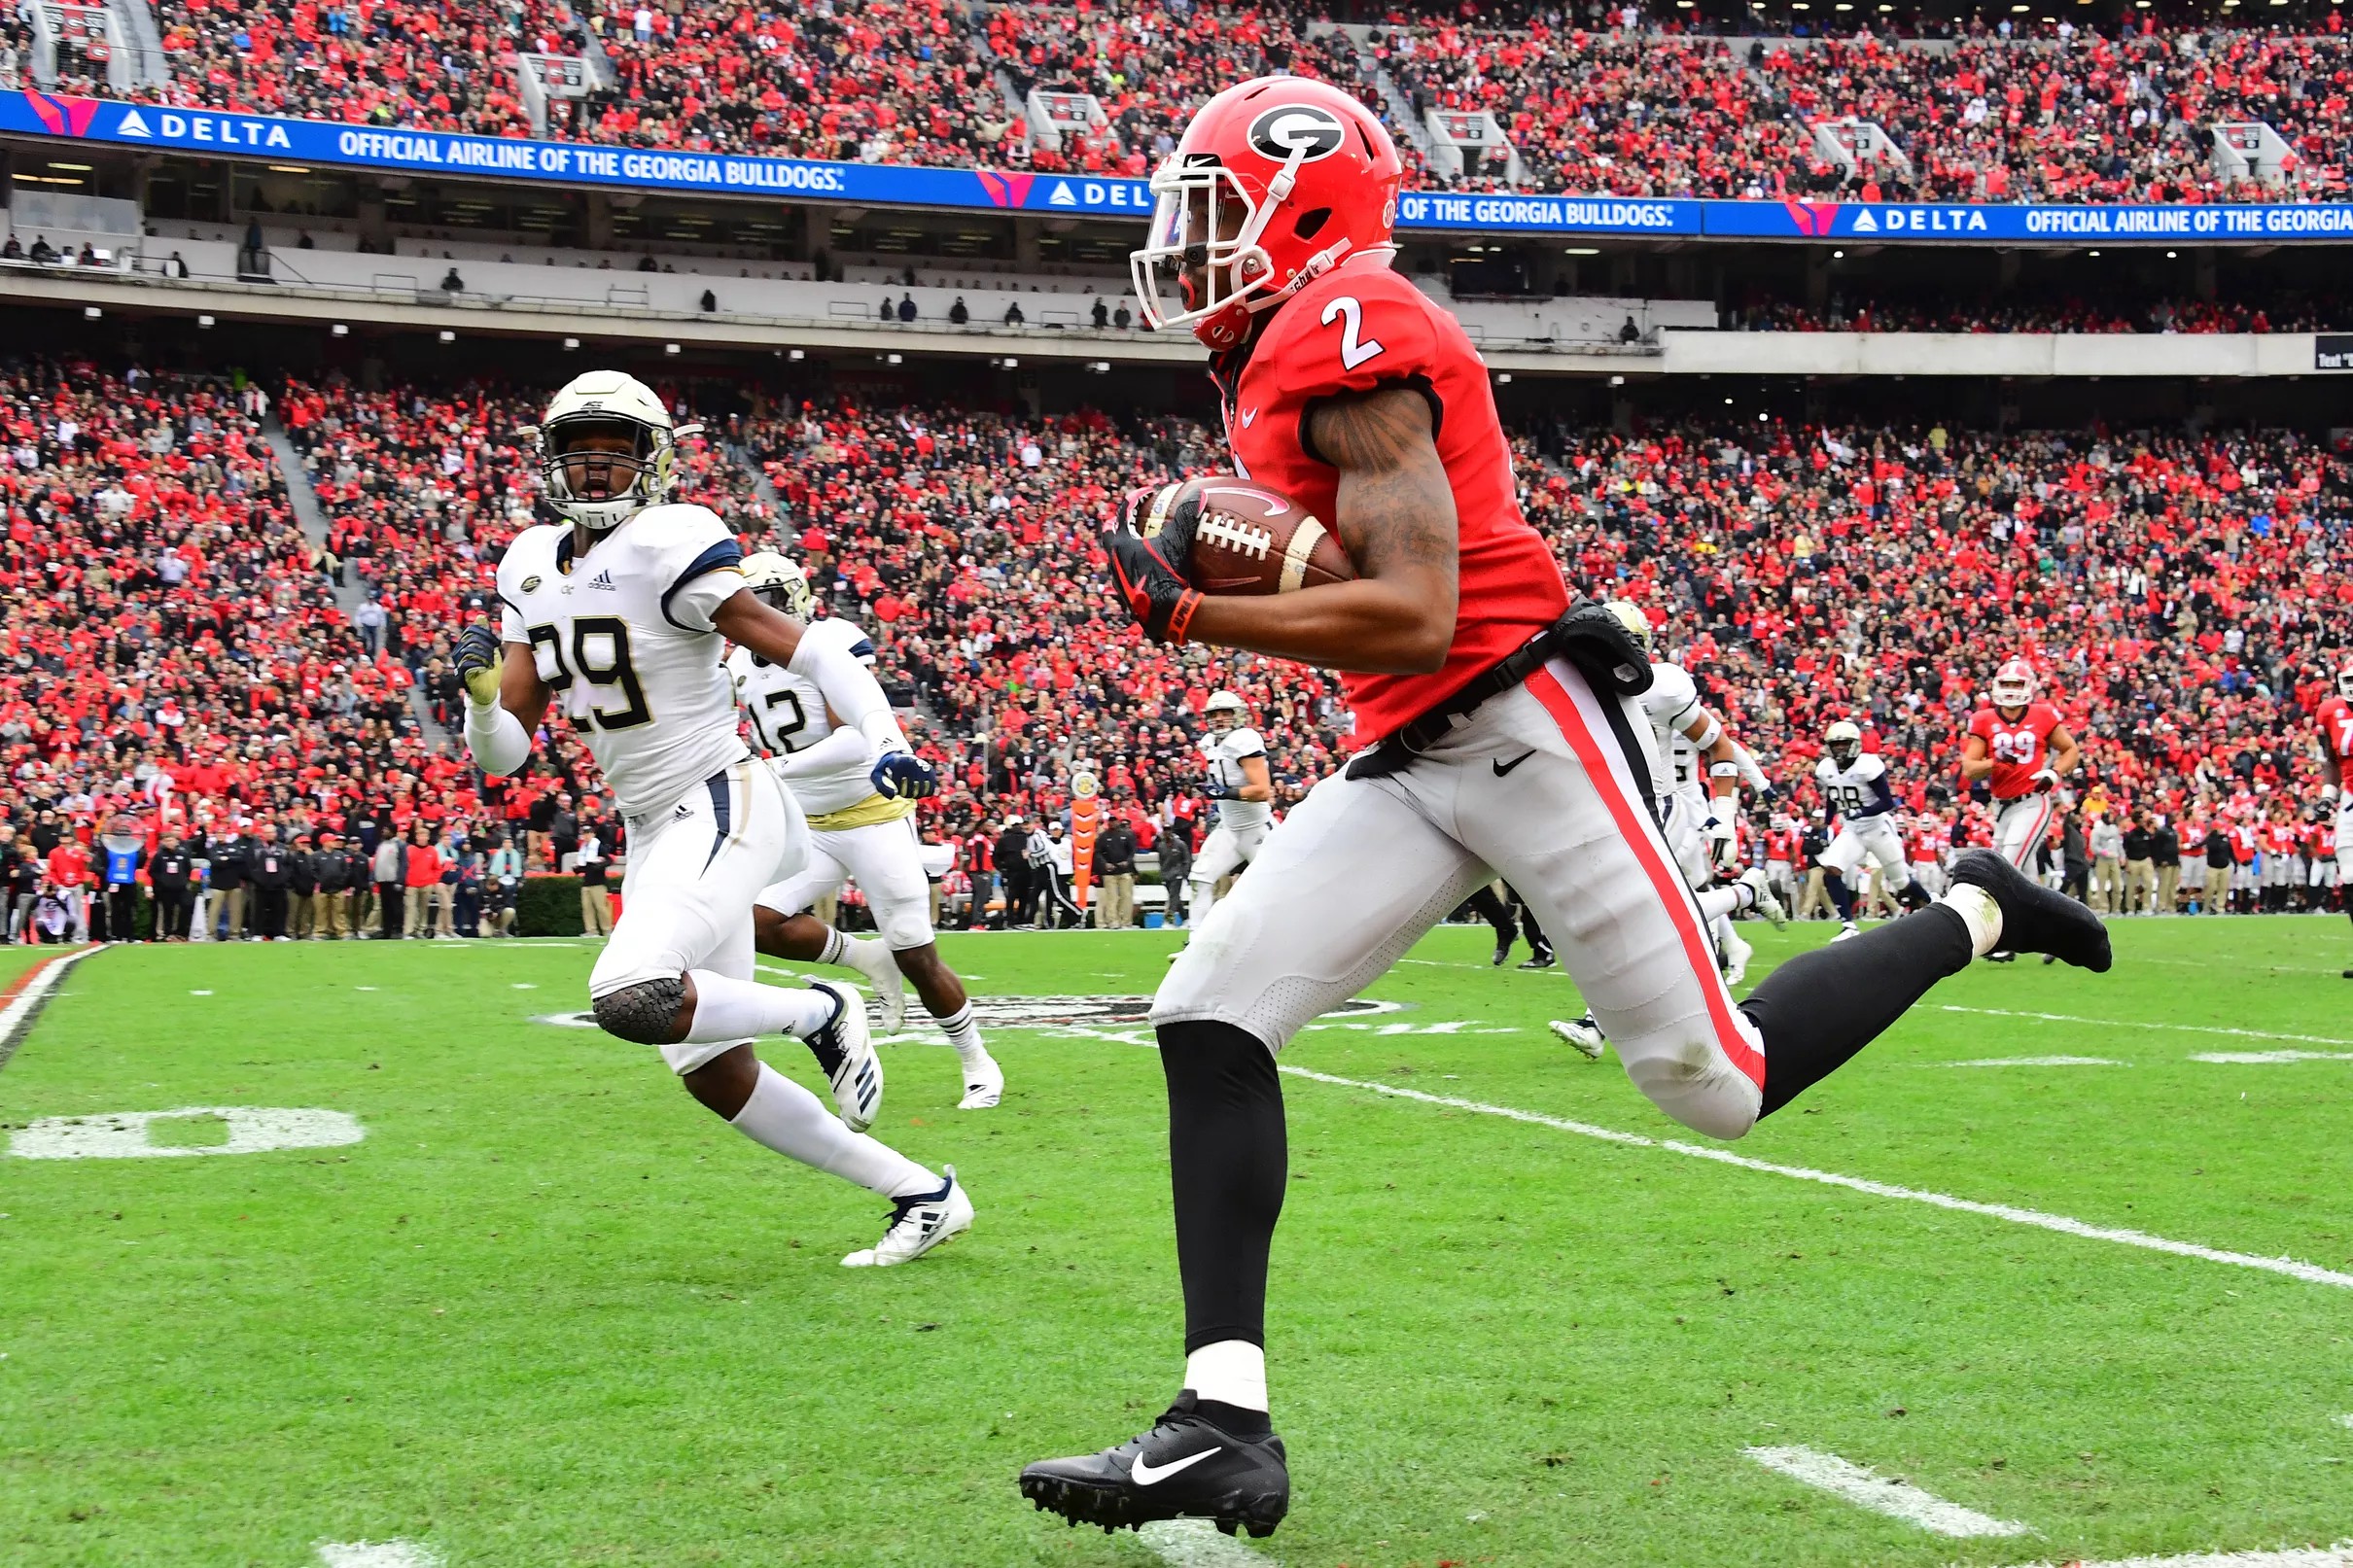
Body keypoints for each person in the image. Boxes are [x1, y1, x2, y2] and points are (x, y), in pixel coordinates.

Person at [1017, 76, 2112, 1540]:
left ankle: (1977, 903)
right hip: (1412, 751)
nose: (1187, 240)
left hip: (1524, 727)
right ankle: (1221, 1423)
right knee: (1209, 1014)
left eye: (1214, 210)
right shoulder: (1282, 344)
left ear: (1304, 207)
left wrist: (1195, 623)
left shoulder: (1353, 324)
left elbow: (1413, 611)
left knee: (1714, 1082)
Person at [452, 368, 970, 1268]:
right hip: (653, 823)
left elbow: (805, 644)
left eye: (616, 453)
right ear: (551, 463)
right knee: (711, 1069)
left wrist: (884, 731)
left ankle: (821, 1005)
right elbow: (506, 754)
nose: (598, 471)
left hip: (721, 796)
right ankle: (921, 1194)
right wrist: (476, 700)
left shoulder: (670, 540)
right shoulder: (530, 562)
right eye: (581, 454)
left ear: (652, 463)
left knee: (628, 994)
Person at [728, 552, 1002, 1109]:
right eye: (751, 601)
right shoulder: (734, 665)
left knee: (917, 956)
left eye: (771, 599)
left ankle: (977, 1060)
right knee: (752, 920)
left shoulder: (826, 642)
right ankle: (861, 957)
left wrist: (774, 769)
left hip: (872, 815)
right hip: (808, 825)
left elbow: (858, 735)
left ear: (796, 598)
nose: (761, 613)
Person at [1960, 658, 2081, 958]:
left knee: (2006, 865)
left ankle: (2003, 940)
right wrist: (1995, 763)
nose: (2012, 690)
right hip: (2001, 807)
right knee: (2026, 879)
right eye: (2007, 684)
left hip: (2032, 801)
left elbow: (2070, 749)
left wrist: (2054, 772)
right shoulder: (1984, 719)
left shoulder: (2042, 714)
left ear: (2028, 687)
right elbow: (1969, 768)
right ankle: (2061, 934)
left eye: (2017, 684)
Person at [2316, 664, 2353, 975]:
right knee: (2350, 876)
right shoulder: (2330, 712)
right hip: (2351, 799)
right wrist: (2328, 797)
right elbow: (2331, 760)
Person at [1096, 814, 1139, 929]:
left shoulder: (1127, 834)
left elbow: (1132, 851)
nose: (1113, 823)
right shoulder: (1103, 836)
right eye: (1111, 821)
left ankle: (1126, 921)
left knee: (1127, 896)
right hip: (1109, 872)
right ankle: (1113, 921)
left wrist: (1127, 862)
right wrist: (1105, 864)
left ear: (1118, 822)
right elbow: (1098, 852)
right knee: (1112, 898)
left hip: (1124, 870)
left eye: (1115, 821)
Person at [150, 832, 194, 940]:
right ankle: (167, 933)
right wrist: (163, 880)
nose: (169, 843)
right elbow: (152, 871)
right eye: (167, 840)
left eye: (171, 840)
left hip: (181, 887)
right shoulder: (160, 855)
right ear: (163, 842)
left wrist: (183, 879)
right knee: (167, 911)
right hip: (166, 889)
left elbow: (188, 869)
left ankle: (181, 932)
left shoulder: (183, 854)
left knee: (187, 906)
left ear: (177, 841)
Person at [251, 826, 293, 941]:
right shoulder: (256, 848)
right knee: (258, 910)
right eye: (267, 833)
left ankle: (279, 934)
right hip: (260, 886)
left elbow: (289, 865)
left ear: (275, 834)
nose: (269, 835)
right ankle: (257, 934)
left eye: (272, 832)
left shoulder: (283, 848)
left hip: (279, 886)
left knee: (280, 910)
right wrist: (258, 879)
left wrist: (282, 879)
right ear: (263, 834)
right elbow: (250, 865)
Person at [578, 826, 615, 936]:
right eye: (584, 833)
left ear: (593, 834)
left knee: (601, 907)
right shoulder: (584, 848)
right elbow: (584, 866)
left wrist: (599, 866)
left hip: (598, 882)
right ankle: (591, 930)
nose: (586, 836)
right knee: (587, 908)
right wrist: (577, 868)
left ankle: (607, 929)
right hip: (587, 882)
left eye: (588, 833)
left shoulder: (598, 846)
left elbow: (609, 860)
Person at [371, 829, 405, 938]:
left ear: (392, 831)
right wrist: (373, 877)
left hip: (394, 880)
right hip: (382, 880)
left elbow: (403, 863)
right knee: (385, 907)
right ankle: (386, 930)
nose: (384, 832)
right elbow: (377, 861)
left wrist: (400, 880)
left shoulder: (399, 844)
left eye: (386, 830)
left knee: (396, 906)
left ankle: (397, 930)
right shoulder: (381, 845)